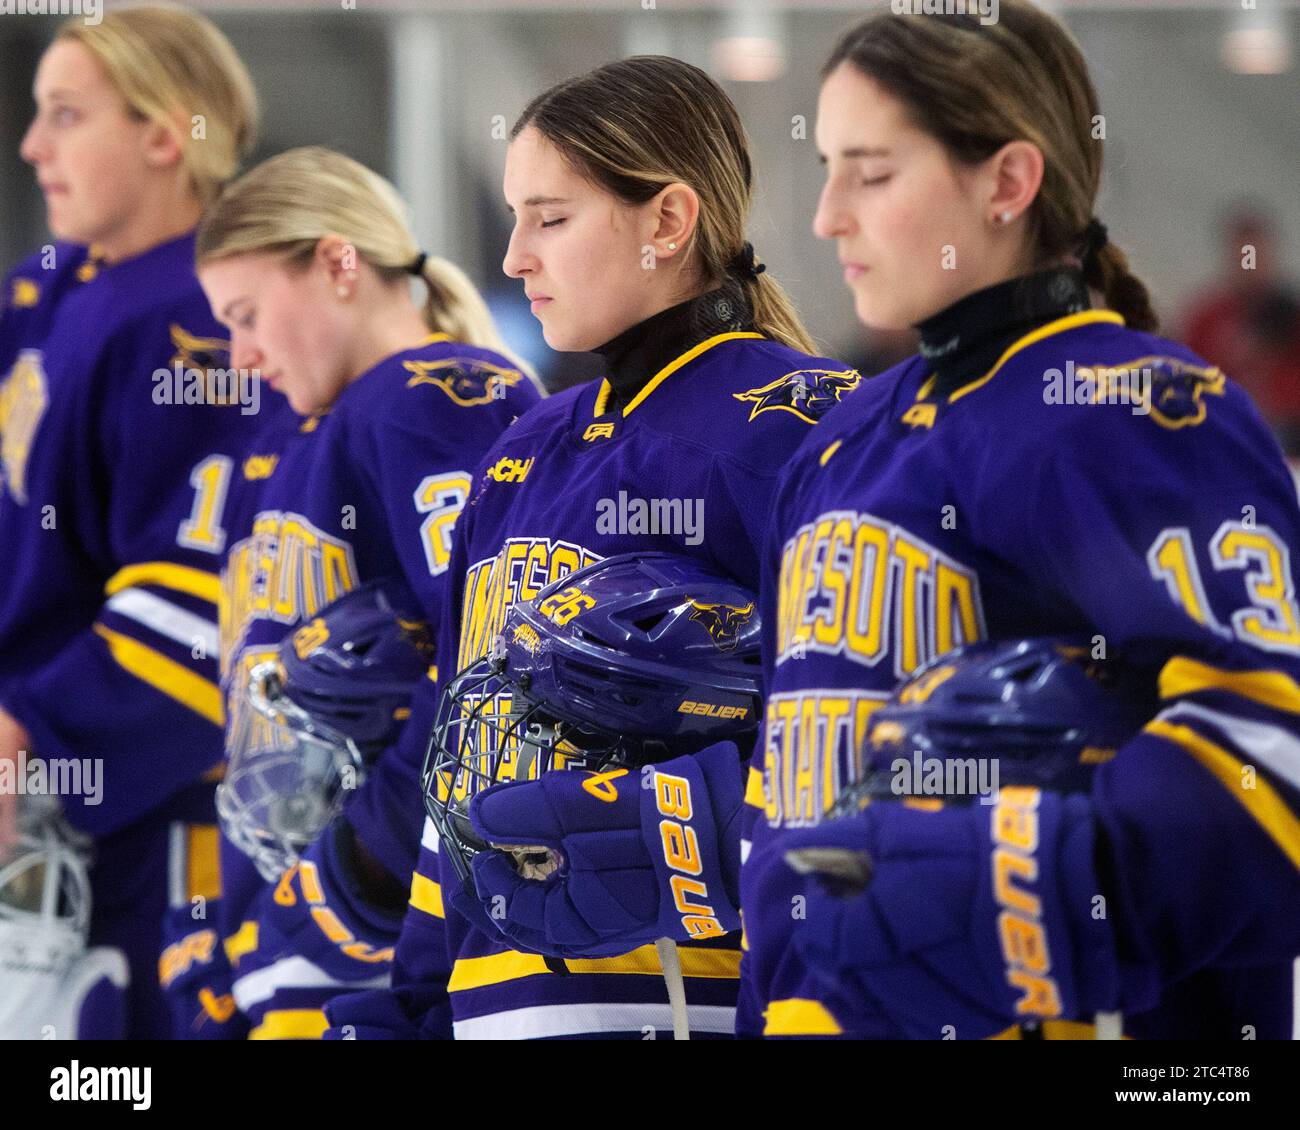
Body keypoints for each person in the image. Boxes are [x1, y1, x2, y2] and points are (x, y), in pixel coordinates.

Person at [740, 0, 1300, 1040]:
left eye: (870, 171)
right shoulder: (835, 440)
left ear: (1006, 180)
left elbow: (1269, 739)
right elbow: (785, 794)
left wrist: (1016, 903)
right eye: (825, 168)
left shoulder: (1127, 408)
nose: (825, 216)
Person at [324, 55, 861, 1041]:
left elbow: (867, 744)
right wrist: (410, 997)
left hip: (696, 998)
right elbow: (468, 753)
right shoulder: (520, 454)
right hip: (499, 1006)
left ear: (666, 220)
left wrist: (691, 826)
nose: (515, 256)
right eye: (515, 217)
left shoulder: (798, 430)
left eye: (551, 217)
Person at [195, 146, 541, 1039]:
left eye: (247, 315)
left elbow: (496, 663)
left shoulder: (435, 399)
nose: (241, 354)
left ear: (338, 263)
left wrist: (360, 871)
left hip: (381, 949)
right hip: (301, 938)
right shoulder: (316, 428)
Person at [0, 5, 268, 1039]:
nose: (33, 147)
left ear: (166, 134)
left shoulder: (199, 314)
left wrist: (30, 733)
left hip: (126, 821)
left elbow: (206, 591)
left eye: (66, 115)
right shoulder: (58, 289)